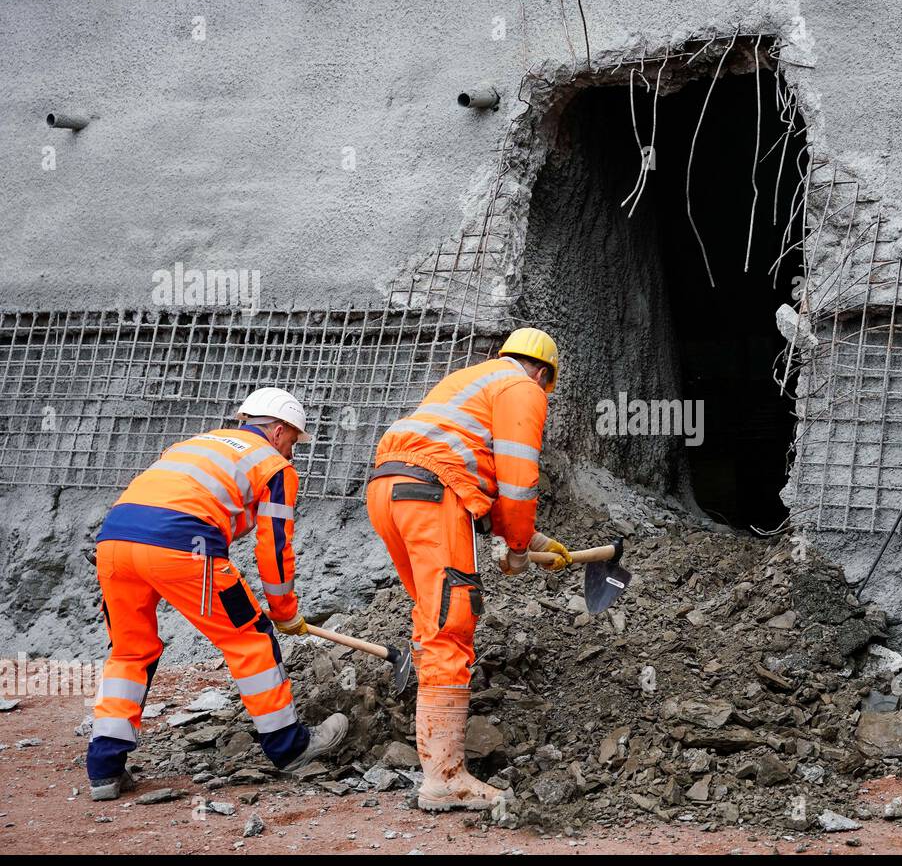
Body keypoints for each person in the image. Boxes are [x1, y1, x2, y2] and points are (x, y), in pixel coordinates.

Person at [87, 388, 348, 800]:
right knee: (251, 639)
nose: (292, 452)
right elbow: (274, 547)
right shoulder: (272, 465)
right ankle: (291, 747)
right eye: (293, 441)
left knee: (129, 651)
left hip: (114, 543)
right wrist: (282, 611)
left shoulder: (195, 443)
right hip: (182, 545)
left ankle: (104, 768)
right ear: (278, 431)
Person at [368, 327, 571, 810]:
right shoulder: (523, 387)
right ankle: (444, 778)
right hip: (431, 495)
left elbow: (469, 467)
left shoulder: (472, 379)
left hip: (390, 489)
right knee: (452, 622)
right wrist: (519, 547)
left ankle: (436, 760)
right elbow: (518, 477)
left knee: (431, 616)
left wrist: (531, 540)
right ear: (543, 374)